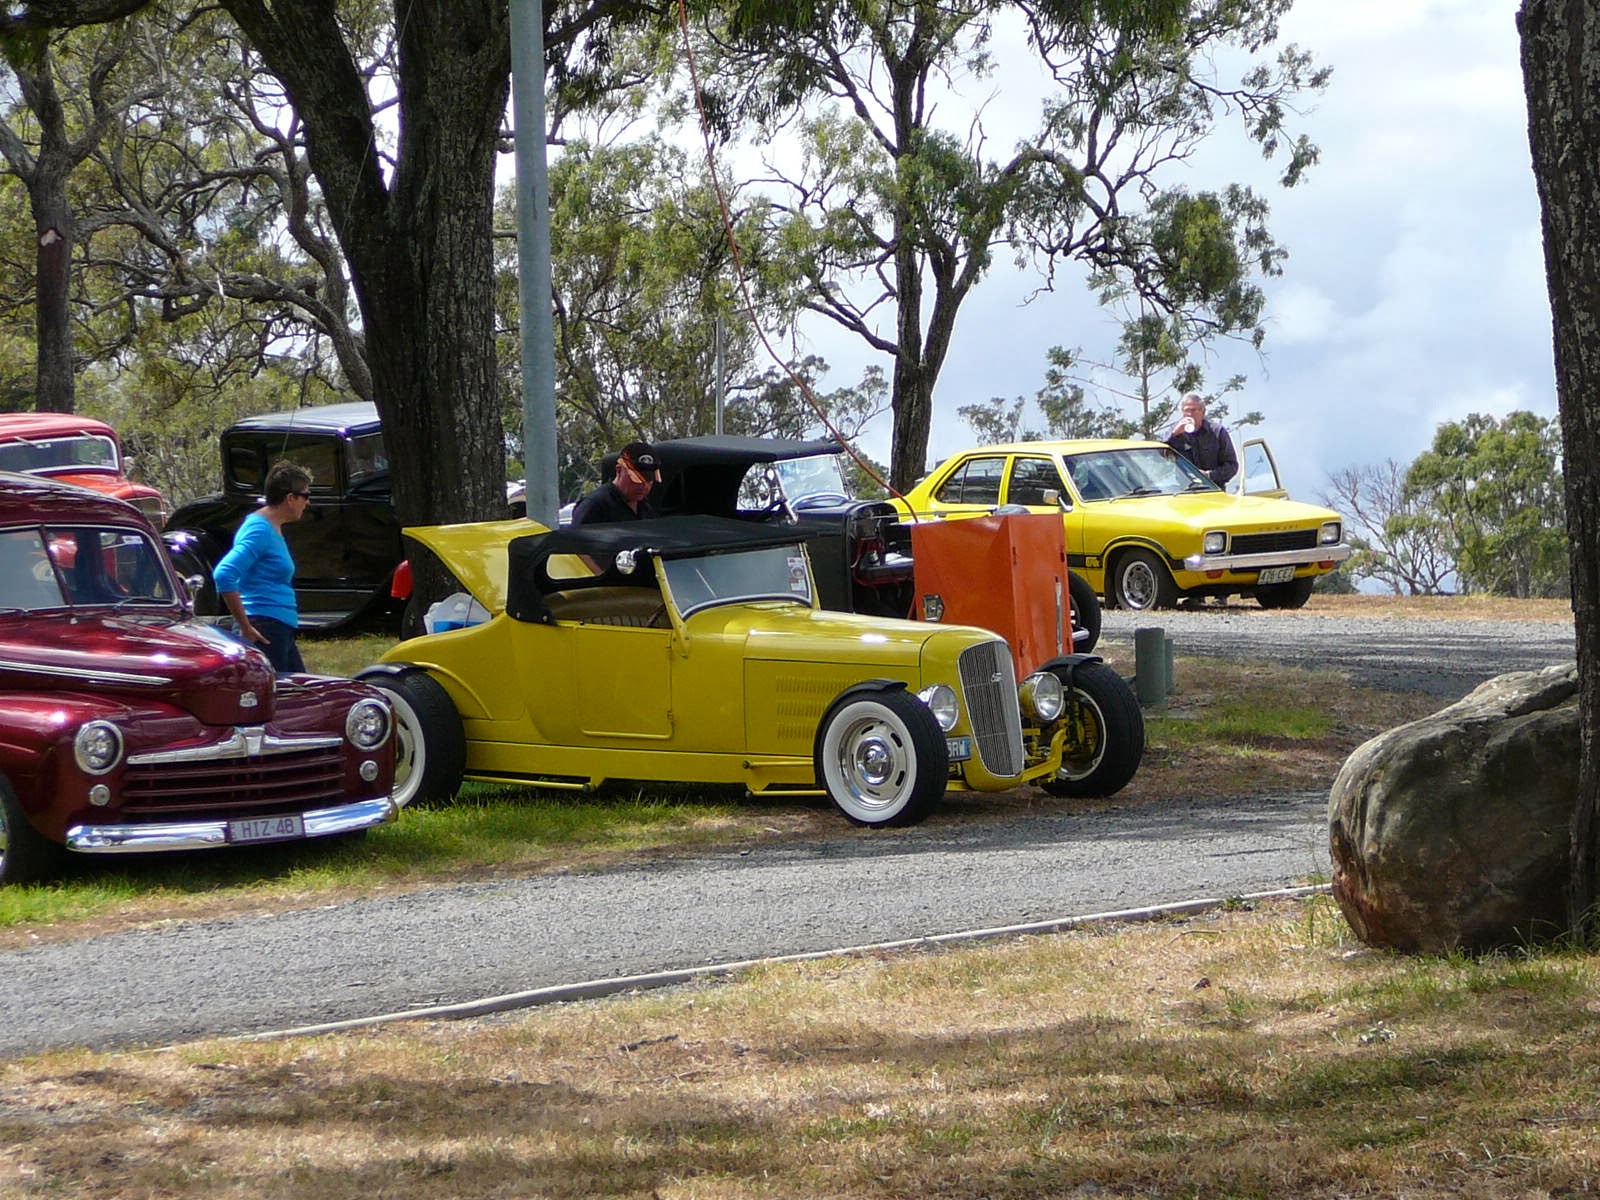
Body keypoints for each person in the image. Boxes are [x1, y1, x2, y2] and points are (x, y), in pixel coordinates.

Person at [214, 460, 312, 673]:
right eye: (305, 495)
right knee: (275, 697)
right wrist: (245, 626)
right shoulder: (259, 530)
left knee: (297, 692)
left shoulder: (271, 526)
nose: (308, 502)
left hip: (277, 626)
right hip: (265, 626)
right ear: (290, 498)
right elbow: (224, 574)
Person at [571, 440, 662, 524]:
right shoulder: (594, 507)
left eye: (648, 480)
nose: (643, 485)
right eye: (636, 479)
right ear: (619, 470)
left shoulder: (646, 507)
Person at [1165, 393, 1239, 487]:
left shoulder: (1217, 432)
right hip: (1184, 492)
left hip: (1213, 491)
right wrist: (1175, 434)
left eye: (1194, 410)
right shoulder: (1174, 431)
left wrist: (1209, 475)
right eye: (1187, 410)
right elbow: (1160, 456)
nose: (1190, 414)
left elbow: (1232, 466)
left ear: (1203, 412)